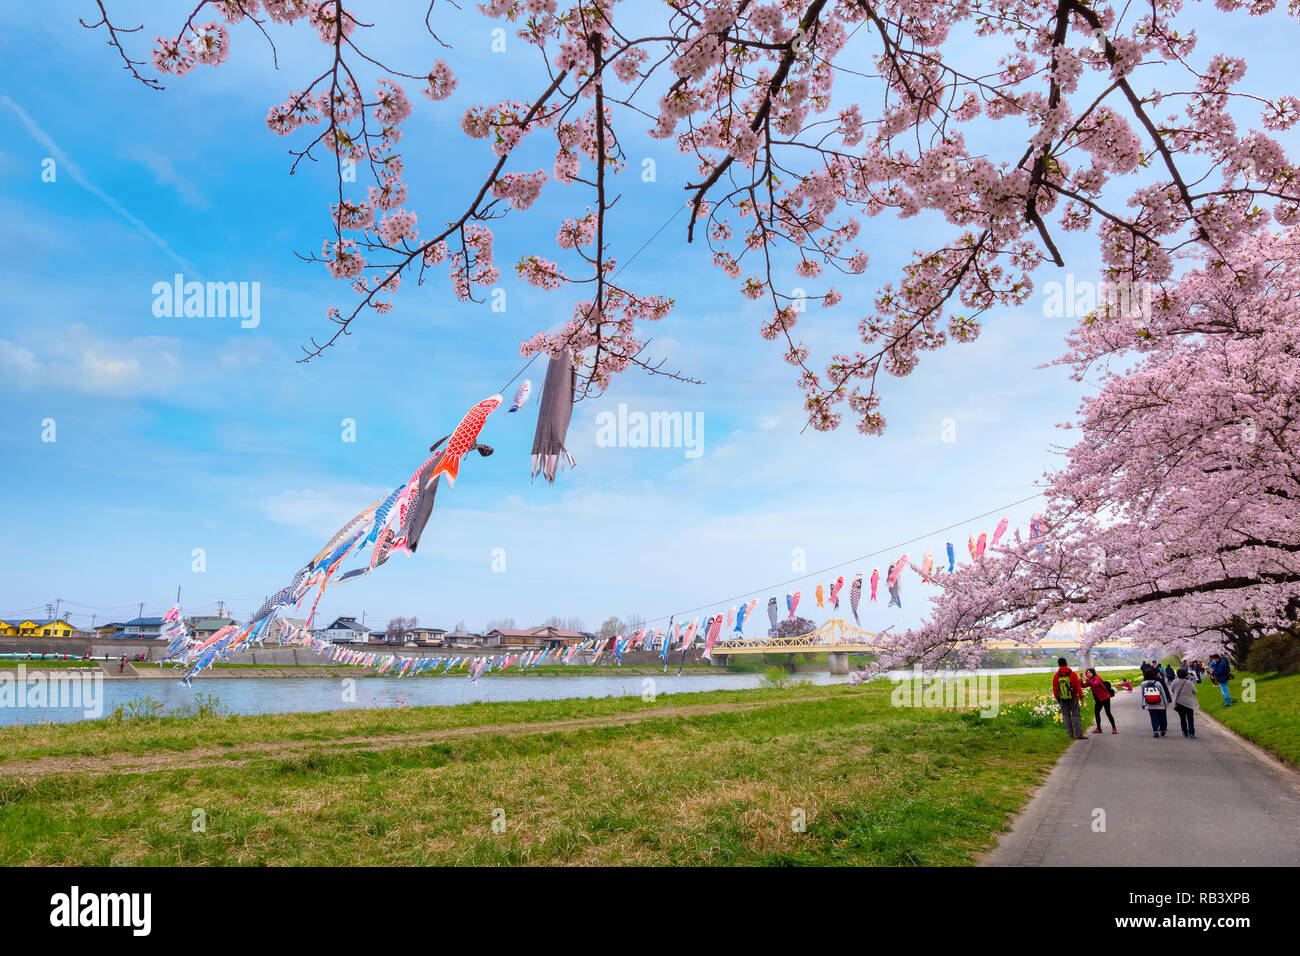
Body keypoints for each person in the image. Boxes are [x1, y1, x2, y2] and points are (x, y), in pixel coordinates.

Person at [1052, 658, 1088, 740]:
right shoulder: (1072, 674)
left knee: (1066, 715)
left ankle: (1070, 734)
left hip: (1062, 699)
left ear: (1058, 665)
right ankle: (1079, 734)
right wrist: (1081, 697)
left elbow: (1055, 689)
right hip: (1073, 697)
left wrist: (1058, 699)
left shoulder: (1056, 676)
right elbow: (1078, 687)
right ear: (1067, 663)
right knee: (1075, 715)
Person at [1082, 667, 1117, 734]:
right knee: (1096, 713)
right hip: (1098, 699)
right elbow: (1083, 686)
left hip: (1105, 698)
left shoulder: (1097, 678)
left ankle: (1114, 728)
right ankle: (1099, 729)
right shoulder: (1090, 680)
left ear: (1093, 673)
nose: (1088, 674)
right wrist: (1080, 679)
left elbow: (1094, 684)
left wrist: (1086, 678)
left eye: (1089, 672)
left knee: (1108, 713)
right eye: (1087, 673)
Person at [1169, 667, 1199, 738]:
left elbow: (1172, 690)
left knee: (1182, 718)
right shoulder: (1190, 683)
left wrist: (1177, 693)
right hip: (1189, 703)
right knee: (1190, 718)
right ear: (1185, 674)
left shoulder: (1174, 682)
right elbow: (1195, 691)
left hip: (1179, 703)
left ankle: (1185, 732)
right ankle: (1191, 733)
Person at [1140, 672, 1171, 737]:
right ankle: (1162, 731)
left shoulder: (1143, 684)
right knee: (1161, 718)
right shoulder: (1158, 683)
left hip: (1149, 704)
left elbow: (1143, 695)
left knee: (1153, 718)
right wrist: (1166, 703)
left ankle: (1155, 732)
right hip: (1160, 703)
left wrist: (1143, 704)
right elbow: (1163, 694)